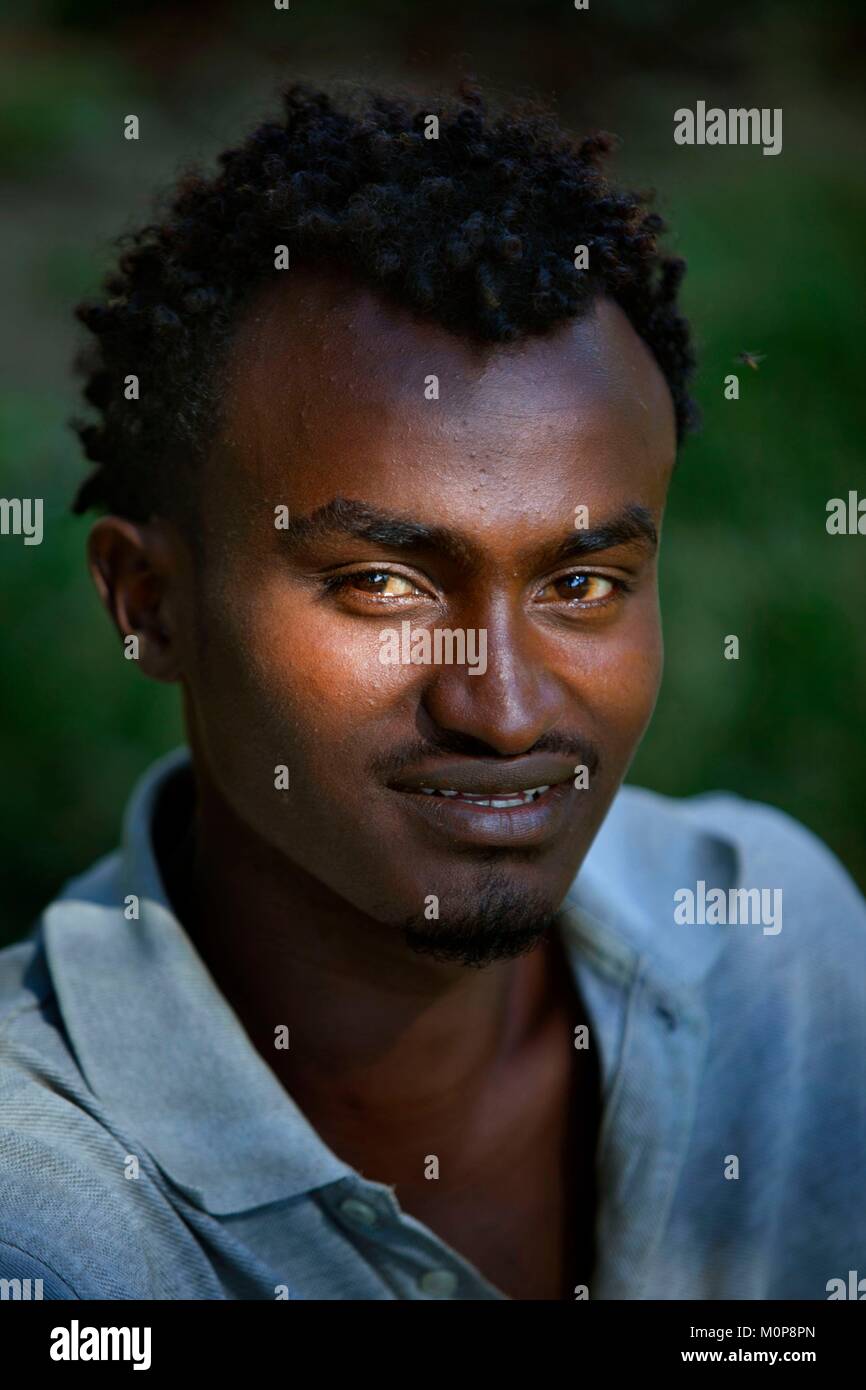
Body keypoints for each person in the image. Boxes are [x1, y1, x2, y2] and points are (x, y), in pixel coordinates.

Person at [1, 79, 863, 1302]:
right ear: (149, 603)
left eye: (581, 584)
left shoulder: (781, 966)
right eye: (382, 584)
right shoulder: (42, 1229)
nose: (504, 713)